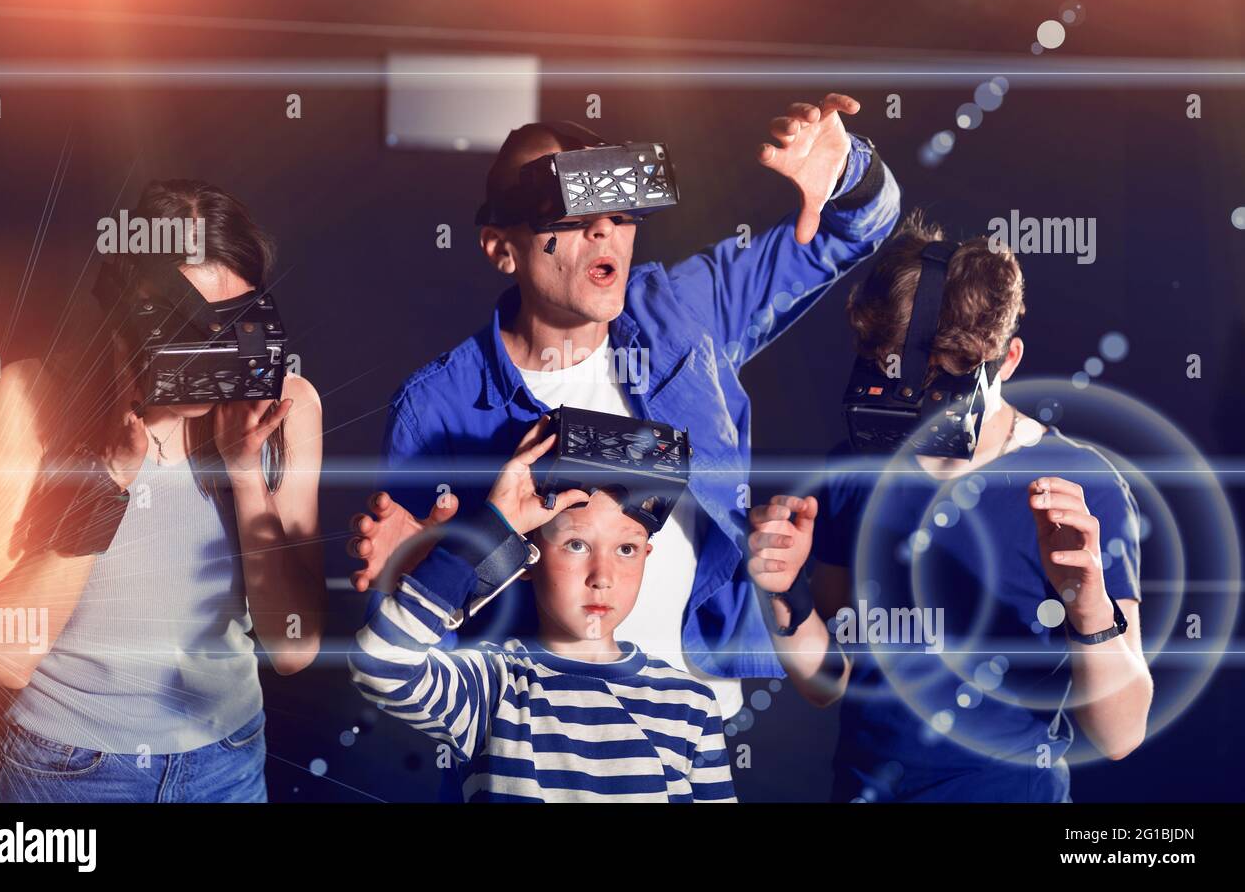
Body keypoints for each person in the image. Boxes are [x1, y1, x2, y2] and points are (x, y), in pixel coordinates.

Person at [352, 94, 901, 720]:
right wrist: (435, 572)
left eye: (619, 206)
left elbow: (850, 229)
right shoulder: (436, 408)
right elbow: (410, 670)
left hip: (693, 742)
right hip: (544, 757)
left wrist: (846, 170)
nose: (603, 228)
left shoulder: (679, 313)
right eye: (568, 209)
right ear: (501, 248)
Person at [747, 212, 1153, 801]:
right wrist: (783, 594)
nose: (913, 400)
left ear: (1007, 361)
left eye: (941, 378)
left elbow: (1120, 734)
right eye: (893, 372)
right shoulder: (854, 470)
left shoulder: (1080, 484)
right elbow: (831, 681)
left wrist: (1089, 603)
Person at [0, 180, 325, 802]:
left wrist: (246, 474)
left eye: (234, 324)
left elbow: (294, 648)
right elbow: (2, 658)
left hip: (226, 762)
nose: (216, 352)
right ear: (127, 309)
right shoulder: (30, 399)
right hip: (69, 769)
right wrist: (107, 480)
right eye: (189, 324)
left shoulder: (285, 407)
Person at [349, 416, 735, 802]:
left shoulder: (690, 703)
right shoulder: (493, 686)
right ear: (527, 556)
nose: (603, 576)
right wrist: (492, 529)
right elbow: (381, 664)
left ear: (646, 555)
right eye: (577, 545)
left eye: (626, 549)